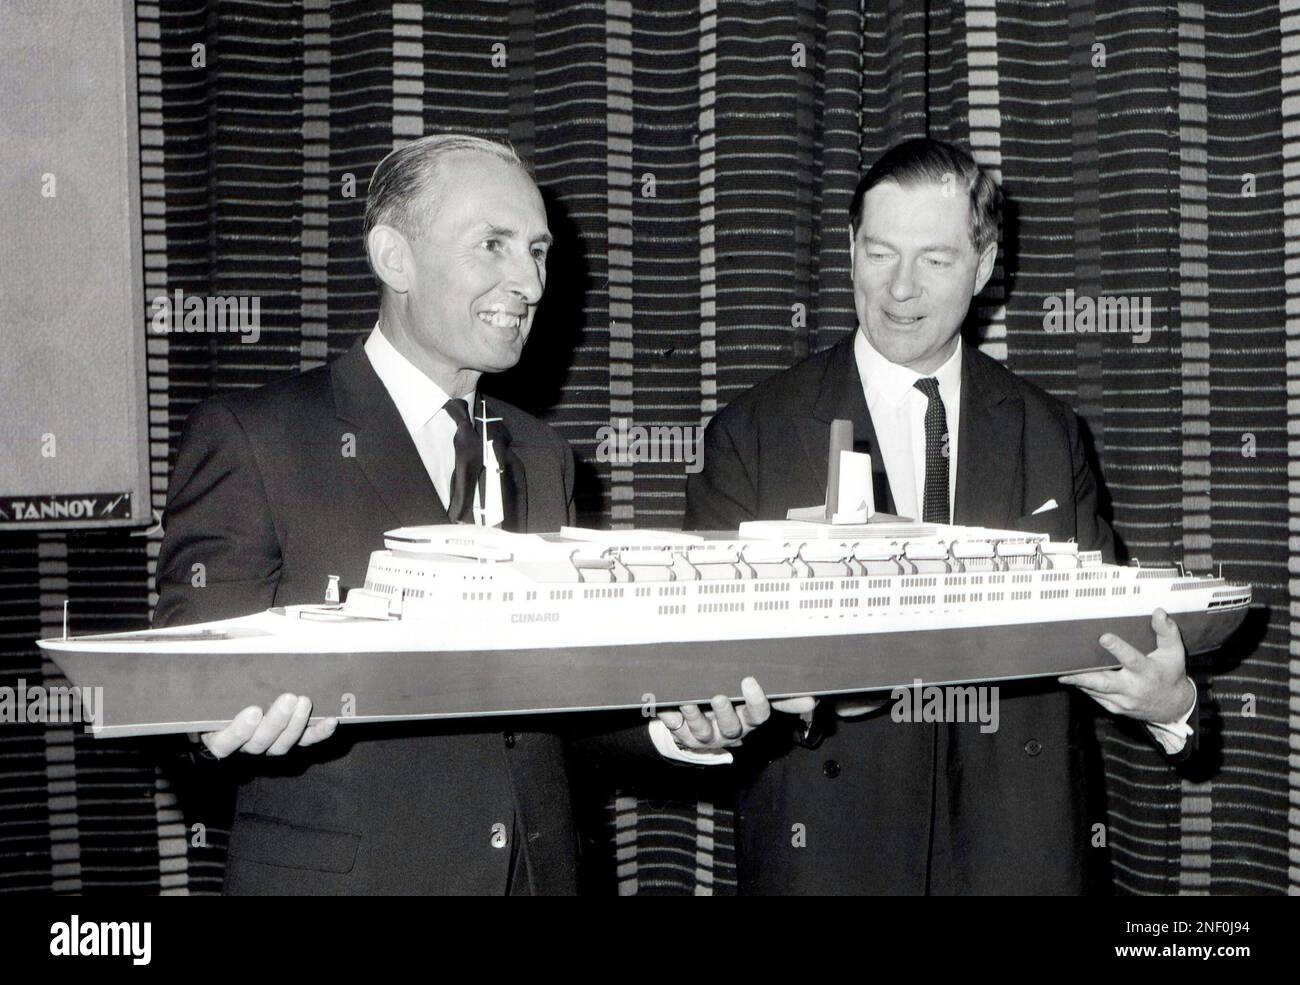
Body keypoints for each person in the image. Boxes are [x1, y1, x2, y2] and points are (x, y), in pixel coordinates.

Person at [155, 133, 774, 894]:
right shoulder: (256, 436)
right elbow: (176, 699)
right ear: (395, 257)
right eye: (493, 244)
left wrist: (669, 726)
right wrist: (213, 725)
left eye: (538, 250)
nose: (531, 281)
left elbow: (555, 719)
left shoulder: (544, 457)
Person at [677, 138, 1197, 894]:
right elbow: (701, 672)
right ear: (851, 248)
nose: (900, 289)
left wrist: (1171, 703)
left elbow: (1117, 633)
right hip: (829, 854)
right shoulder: (752, 434)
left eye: (936, 260)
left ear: (984, 266)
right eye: (880, 253)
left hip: (1021, 854)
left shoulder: (1049, 432)